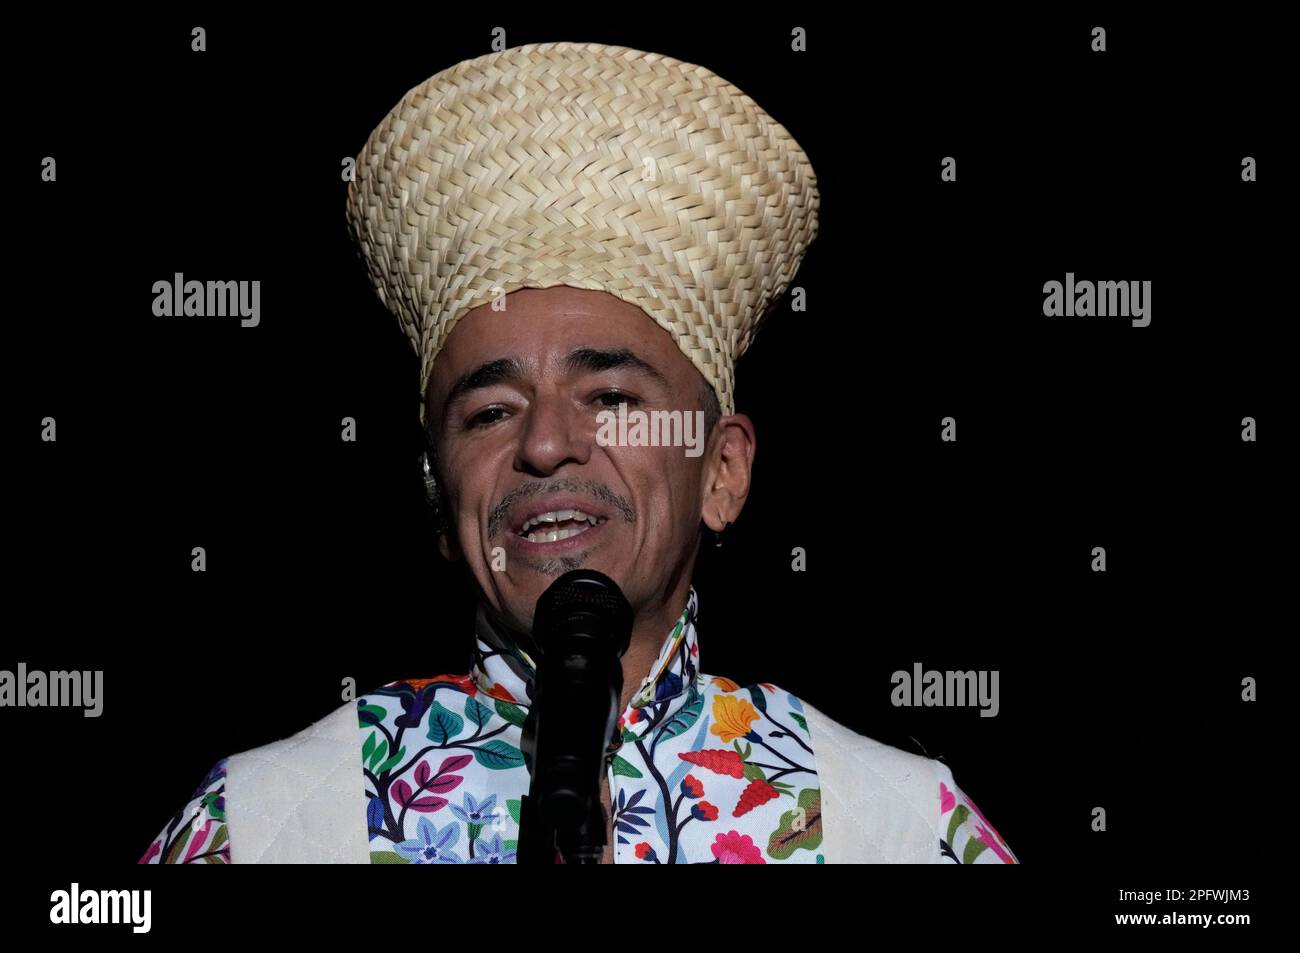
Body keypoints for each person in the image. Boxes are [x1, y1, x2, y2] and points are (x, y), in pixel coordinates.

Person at [140, 40, 1017, 865]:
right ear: (440, 502)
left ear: (722, 470)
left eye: (611, 397)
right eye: (488, 411)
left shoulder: (896, 826)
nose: (547, 442)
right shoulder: (266, 823)